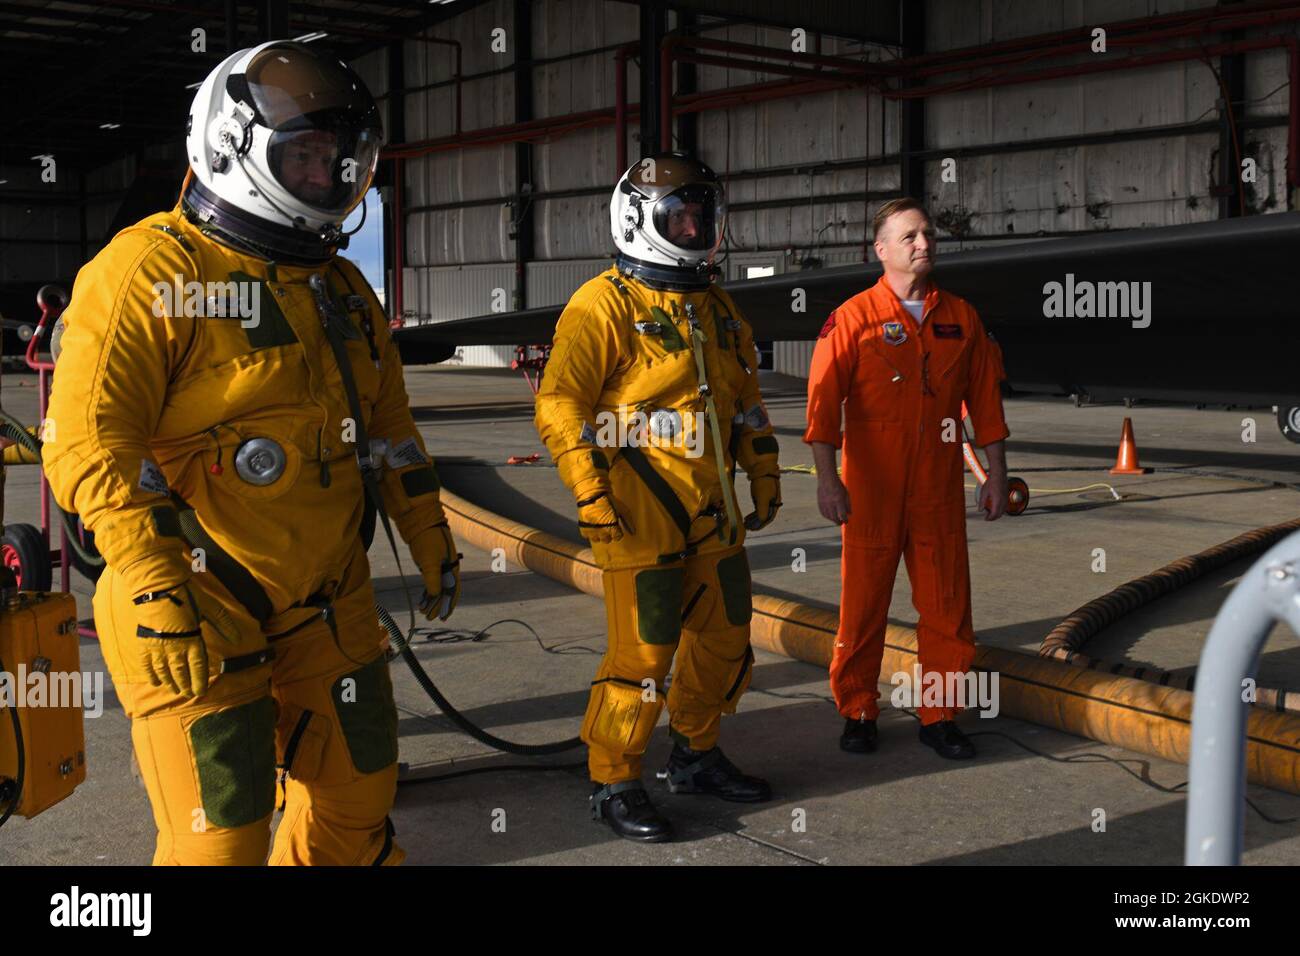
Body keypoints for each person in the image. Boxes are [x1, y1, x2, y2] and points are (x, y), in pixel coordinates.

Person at [42, 41, 461, 865]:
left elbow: (389, 425)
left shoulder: (342, 290)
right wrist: (156, 579)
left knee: (358, 798)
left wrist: (427, 528)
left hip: (329, 594)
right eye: (305, 155)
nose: (327, 176)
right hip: (197, 596)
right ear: (232, 145)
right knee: (220, 838)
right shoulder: (149, 271)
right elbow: (91, 443)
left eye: (342, 160)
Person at [534, 153, 782, 842]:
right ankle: (614, 778)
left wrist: (761, 469)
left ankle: (696, 755)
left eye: (704, 215)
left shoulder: (720, 308)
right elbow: (560, 403)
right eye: (682, 215)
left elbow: (746, 404)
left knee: (728, 638)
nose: (697, 226)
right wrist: (588, 489)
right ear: (639, 218)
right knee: (643, 657)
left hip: (712, 510)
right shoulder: (604, 303)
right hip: (637, 510)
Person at [804, 198, 1009, 760]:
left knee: (946, 606)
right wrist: (828, 480)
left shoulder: (962, 318)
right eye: (910, 236)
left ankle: (939, 714)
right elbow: (822, 409)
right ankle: (858, 709)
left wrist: (996, 474)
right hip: (870, 491)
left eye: (928, 235)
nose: (924, 244)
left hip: (937, 493)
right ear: (882, 250)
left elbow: (986, 403)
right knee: (864, 606)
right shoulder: (852, 318)